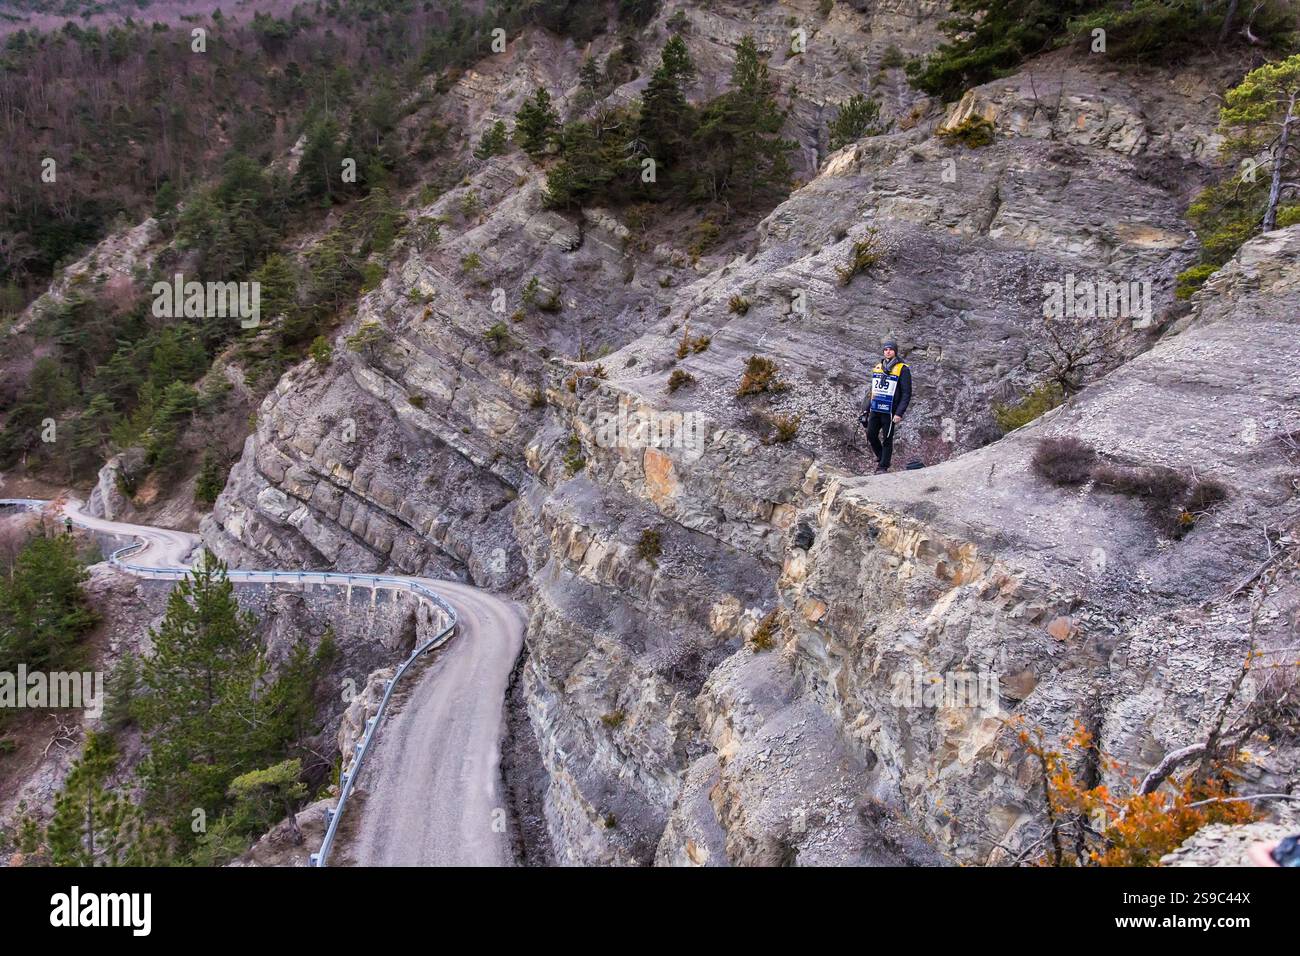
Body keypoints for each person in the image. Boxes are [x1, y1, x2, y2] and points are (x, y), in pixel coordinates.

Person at [859, 340, 911, 473]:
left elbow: (906, 393)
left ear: (895, 351)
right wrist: (865, 409)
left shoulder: (903, 369)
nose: (888, 351)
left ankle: (883, 466)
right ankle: (882, 457)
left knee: (887, 439)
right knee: (871, 435)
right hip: (876, 408)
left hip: (890, 411)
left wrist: (899, 413)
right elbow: (872, 391)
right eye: (885, 349)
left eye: (890, 349)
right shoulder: (878, 367)